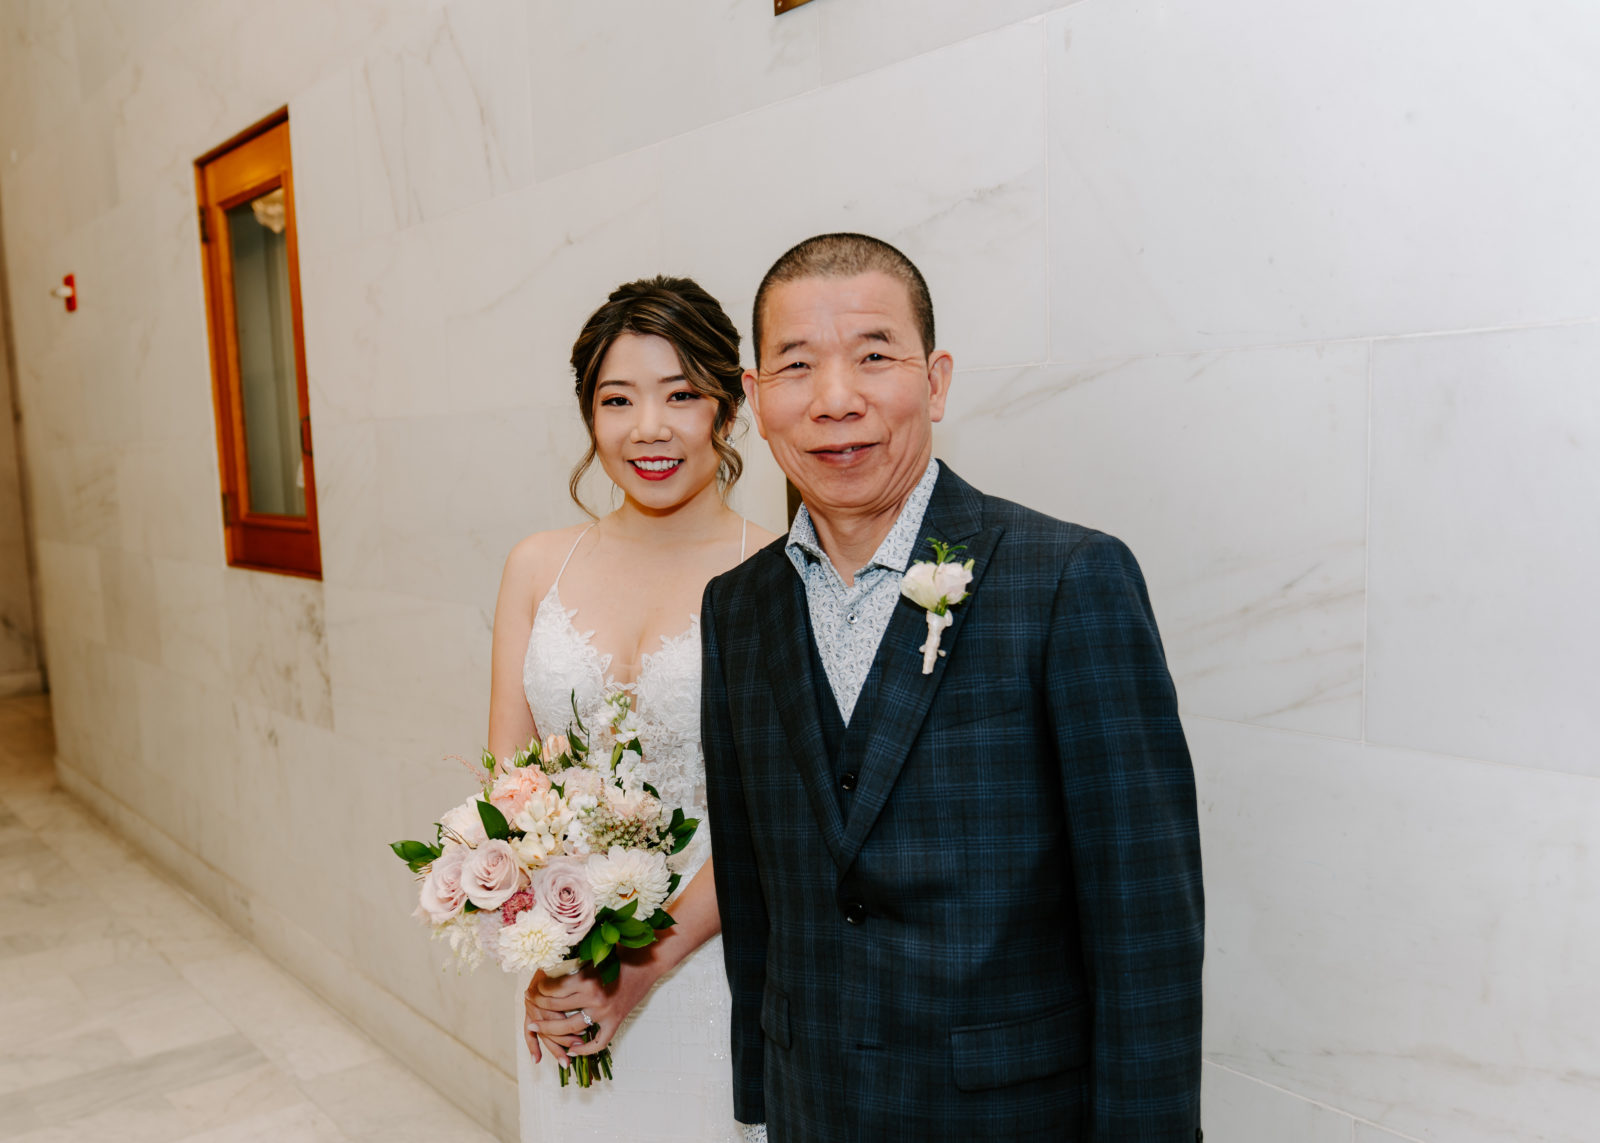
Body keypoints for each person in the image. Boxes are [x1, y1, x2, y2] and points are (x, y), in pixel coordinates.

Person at [701, 234, 1206, 1142]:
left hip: (1010, 1113)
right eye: (797, 366)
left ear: (934, 382)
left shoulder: (1067, 579)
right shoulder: (737, 609)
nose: (836, 399)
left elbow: (1146, 921)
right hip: (812, 1106)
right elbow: (750, 883)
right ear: (754, 397)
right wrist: (762, 1094)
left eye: (872, 356)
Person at [488, 277, 776, 1143]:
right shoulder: (538, 566)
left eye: (682, 394)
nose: (649, 427)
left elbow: (770, 820)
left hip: (715, 968)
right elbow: (509, 785)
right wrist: (547, 947)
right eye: (619, 399)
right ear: (589, 417)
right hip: (568, 971)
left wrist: (638, 969)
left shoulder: (774, 576)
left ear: (727, 411)